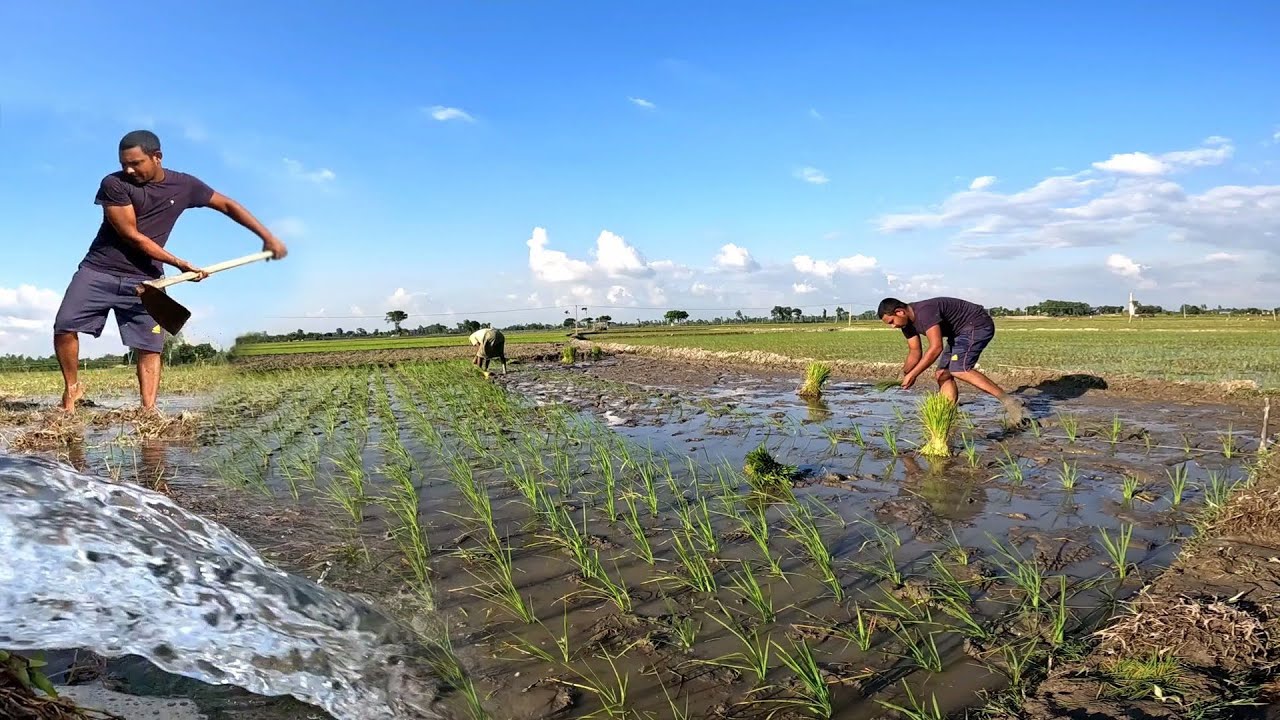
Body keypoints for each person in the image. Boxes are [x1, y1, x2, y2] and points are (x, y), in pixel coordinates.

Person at [53, 130, 288, 412]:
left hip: (147, 279)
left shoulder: (184, 185)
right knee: (64, 326)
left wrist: (267, 237)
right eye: (124, 163)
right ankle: (72, 389)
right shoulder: (114, 184)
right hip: (99, 270)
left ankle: (148, 410)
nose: (128, 170)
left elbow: (227, 204)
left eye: (136, 163)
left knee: (150, 346)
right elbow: (132, 235)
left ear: (157, 157)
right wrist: (179, 263)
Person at [877, 296, 1028, 425]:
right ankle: (946, 414)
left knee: (959, 369)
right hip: (958, 334)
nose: (893, 326)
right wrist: (904, 374)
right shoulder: (906, 325)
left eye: (891, 321)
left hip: (976, 324)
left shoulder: (924, 312)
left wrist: (914, 374)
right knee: (942, 374)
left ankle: (1009, 402)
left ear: (900, 312)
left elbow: (936, 347)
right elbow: (915, 351)